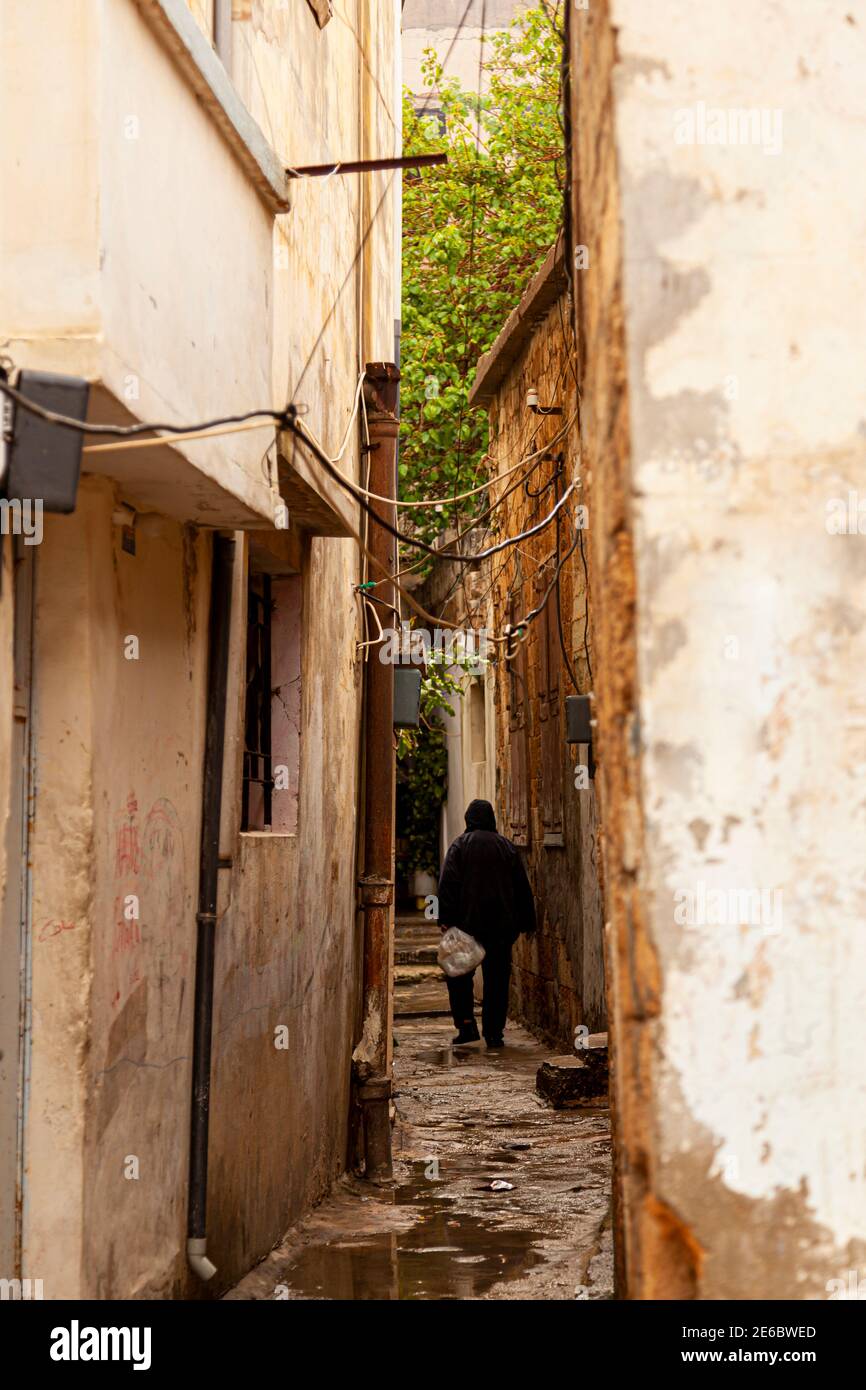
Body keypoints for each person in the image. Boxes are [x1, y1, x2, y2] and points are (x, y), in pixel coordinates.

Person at [437, 798, 536, 1048]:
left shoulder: (459, 846)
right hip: (501, 928)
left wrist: (445, 920)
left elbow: (448, 884)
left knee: (458, 976)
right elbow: (521, 887)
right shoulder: (506, 847)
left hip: (466, 926)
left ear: (468, 819)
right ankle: (494, 1033)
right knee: (497, 981)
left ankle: (466, 1025)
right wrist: (526, 921)